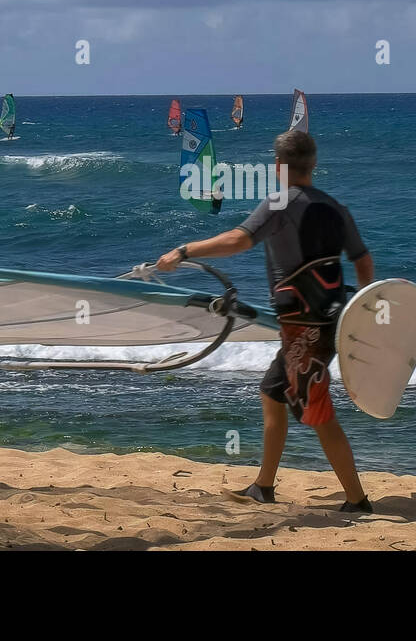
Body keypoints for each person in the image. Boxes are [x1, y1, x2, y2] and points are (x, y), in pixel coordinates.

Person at [156, 130, 375, 512]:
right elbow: (363, 262)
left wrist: (184, 250)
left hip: (303, 330)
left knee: (318, 412)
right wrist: (361, 309)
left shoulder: (278, 203)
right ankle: (263, 486)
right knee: (273, 392)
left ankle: (357, 500)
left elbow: (238, 240)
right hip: (323, 322)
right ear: (314, 164)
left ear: (278, 166)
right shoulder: (338, 208)